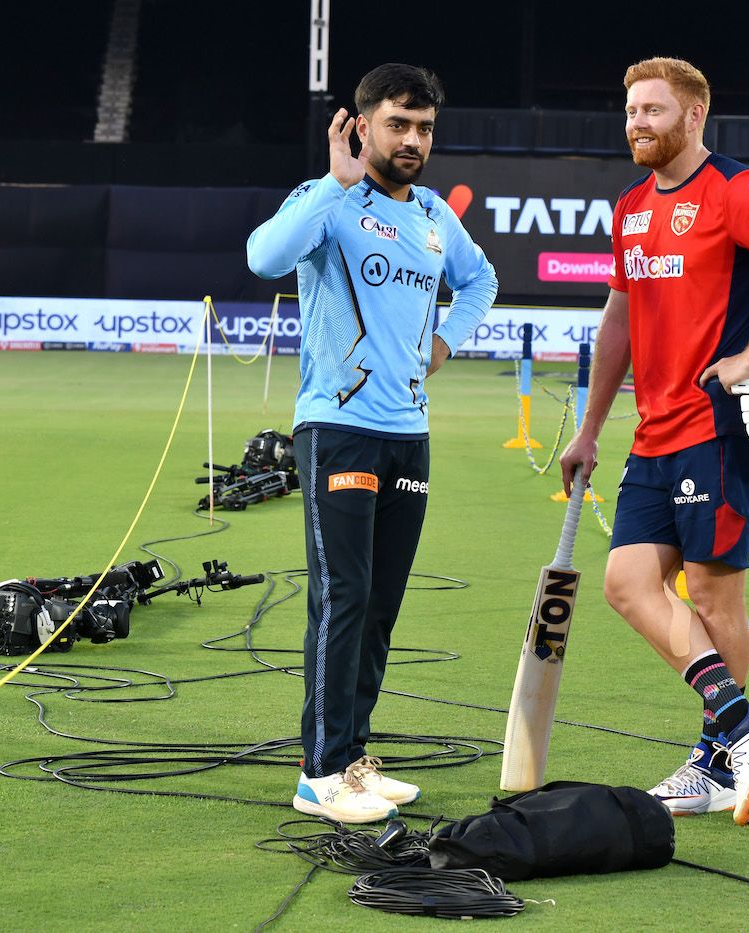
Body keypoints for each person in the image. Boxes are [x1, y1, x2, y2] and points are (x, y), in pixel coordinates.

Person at [558, 57, 749, 825]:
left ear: (692, 117)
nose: (636, 123)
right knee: (626, 583)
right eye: (630, 111)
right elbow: (618, 319)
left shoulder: (737, 189)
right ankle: (739, 724)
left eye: (652, 110)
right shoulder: (632, 207)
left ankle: (718, 760)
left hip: (719, 427)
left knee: (713, 593)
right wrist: (589, 426)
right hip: (653, 433)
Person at [247, 63, 498, 823]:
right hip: (338, 429)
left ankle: (353, 756)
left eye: (424, 127)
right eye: (398, 124)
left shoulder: (431, 215)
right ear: (361, 126)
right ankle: (319, 772)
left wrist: (445, 344)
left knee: (381, 605)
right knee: (343, 598)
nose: (414, 139)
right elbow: (263, 257)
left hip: (408, 436)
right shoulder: (329, 203)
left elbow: (481, 279)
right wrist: (332, 181)